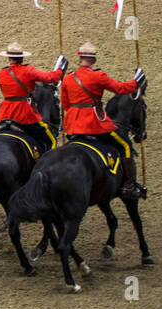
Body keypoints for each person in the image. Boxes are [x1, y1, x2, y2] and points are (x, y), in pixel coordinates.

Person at [60, 42, 147, 198]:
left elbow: (65, 104)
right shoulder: (98, 76)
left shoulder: (68, 78)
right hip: (94, 124)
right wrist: (136, 81)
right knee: (126, 145)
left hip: (72, 125)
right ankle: (129, 185)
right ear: (93, 60)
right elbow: (120, 89)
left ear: (80, 58)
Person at [0, 41, 64, 150]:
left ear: (8, 58)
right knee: (50, 140)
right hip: (24, 114)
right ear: (22, 58)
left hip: (4, 114)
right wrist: (60, 69)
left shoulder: (2, 72)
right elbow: (51, 78)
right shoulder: (28, 71)